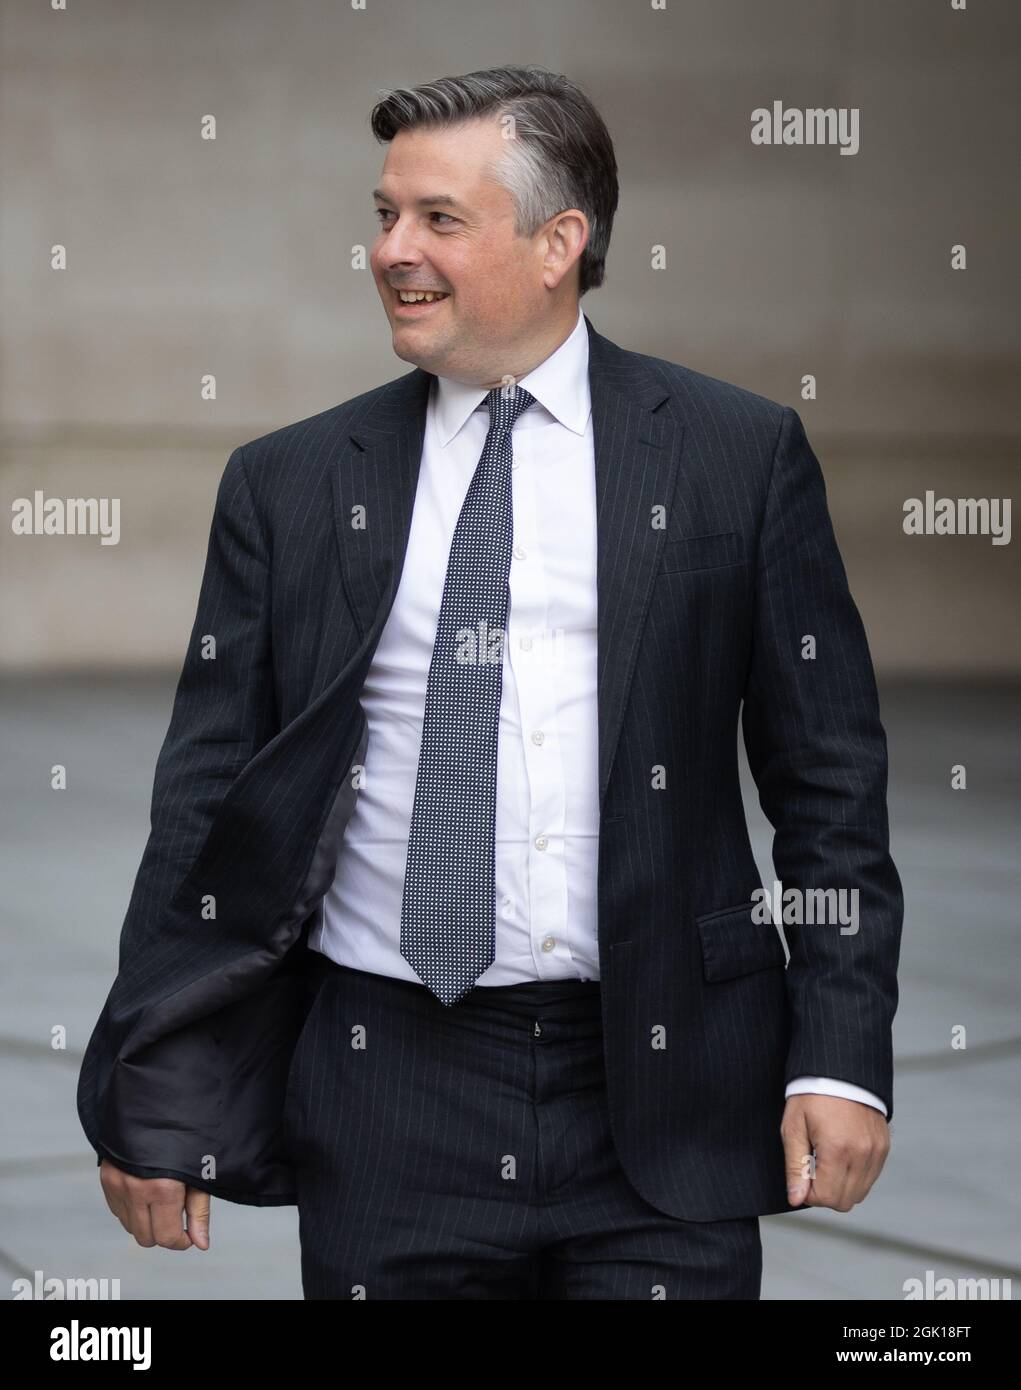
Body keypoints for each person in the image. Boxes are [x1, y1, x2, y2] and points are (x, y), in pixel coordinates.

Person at [79, 65, 902, 1300]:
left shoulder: (736, 457)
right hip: (388, 1085)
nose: (388, 250)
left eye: (437, 219)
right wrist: (152, 1093)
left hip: (664, 1083)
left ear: (559, 241)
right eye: (383, 214)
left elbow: (829, 783)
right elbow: (203, 806)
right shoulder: (290, 484)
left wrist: (838, 1059)